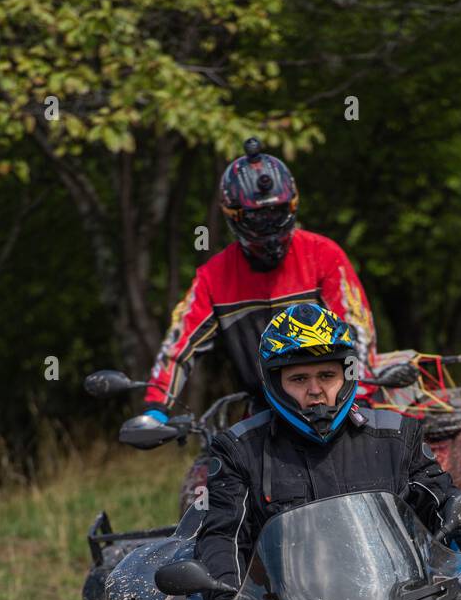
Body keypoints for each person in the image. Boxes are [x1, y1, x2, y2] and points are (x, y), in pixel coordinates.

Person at [128, 138, 379, 504]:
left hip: (337, 404)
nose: (268, 226)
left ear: (292, 207)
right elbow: (178, 346)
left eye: (276, 214)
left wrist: (360, 394)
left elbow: (358, 330)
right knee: (207, 499)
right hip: (264, 411)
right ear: (232, 217)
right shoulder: (214, 276)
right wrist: (156, 408)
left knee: (386, 482)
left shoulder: (323, 255)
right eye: (256, 218)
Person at [192, 301, 461, 587]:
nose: (315, 391)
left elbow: (446, 506)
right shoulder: (240, 450)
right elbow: (223, 539)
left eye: (327, 375)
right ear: (275, 382)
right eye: (299, 379)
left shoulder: (397, 436)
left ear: (347, 374)